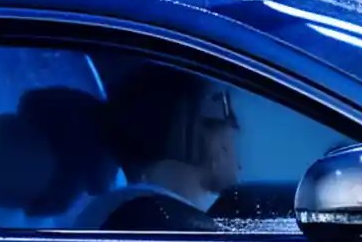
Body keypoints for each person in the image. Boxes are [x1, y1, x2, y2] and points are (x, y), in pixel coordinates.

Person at [77, 62, 241, 231]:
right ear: (188, 130)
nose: (235, 127)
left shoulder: (120, 214)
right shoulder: (171, 227)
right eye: (224, 110)